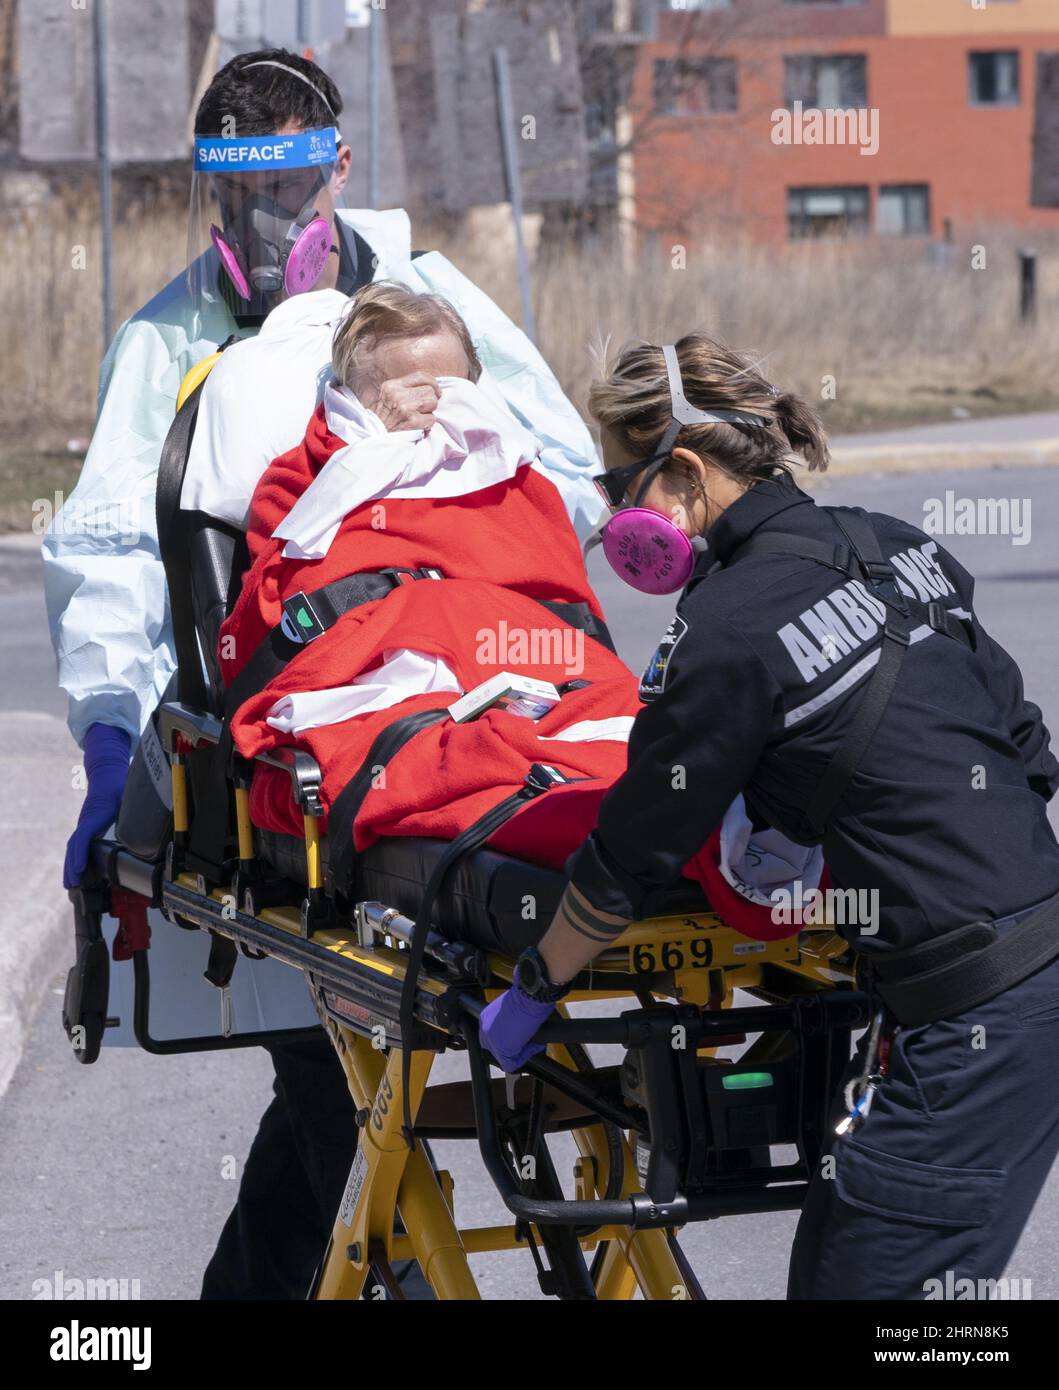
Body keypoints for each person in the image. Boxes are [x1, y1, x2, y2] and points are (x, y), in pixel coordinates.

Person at [41, 48, 596, 1301]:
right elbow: (111, 550)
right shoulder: (172, 340)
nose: (264, 224)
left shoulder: (429, 314)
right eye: (234, 198)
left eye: (288, 188)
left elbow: (558, 479)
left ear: (339, 169)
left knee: (346, 1083)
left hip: (475, 689)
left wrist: (429, 443)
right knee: (338, 1070)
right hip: (297, 740)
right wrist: (111, 734)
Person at [480, 332, 1059, 1300]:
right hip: (1024, 967)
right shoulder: (897, 545)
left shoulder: (731, 628)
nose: (619, 516)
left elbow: (632, 852)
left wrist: (536, 986)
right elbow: (1024, 752)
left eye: (624, 486)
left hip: (976, 1014)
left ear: (686, 470)